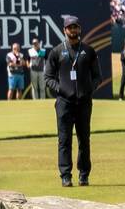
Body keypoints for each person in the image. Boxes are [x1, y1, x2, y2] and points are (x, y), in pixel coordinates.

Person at [43, 15, 102, 187]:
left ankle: (84, 174)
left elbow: (97, 76)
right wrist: (62, 89)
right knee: (64, 140)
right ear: (64, 30)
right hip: (64, 103)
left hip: (84, 103)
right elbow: (48, 77)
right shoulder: (56, 52)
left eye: (75, 27)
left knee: (84, 140)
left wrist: (90, 89)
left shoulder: (89, 51)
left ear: (79, 29)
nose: (73, 30)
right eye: (70, 27)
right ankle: (65, 175)